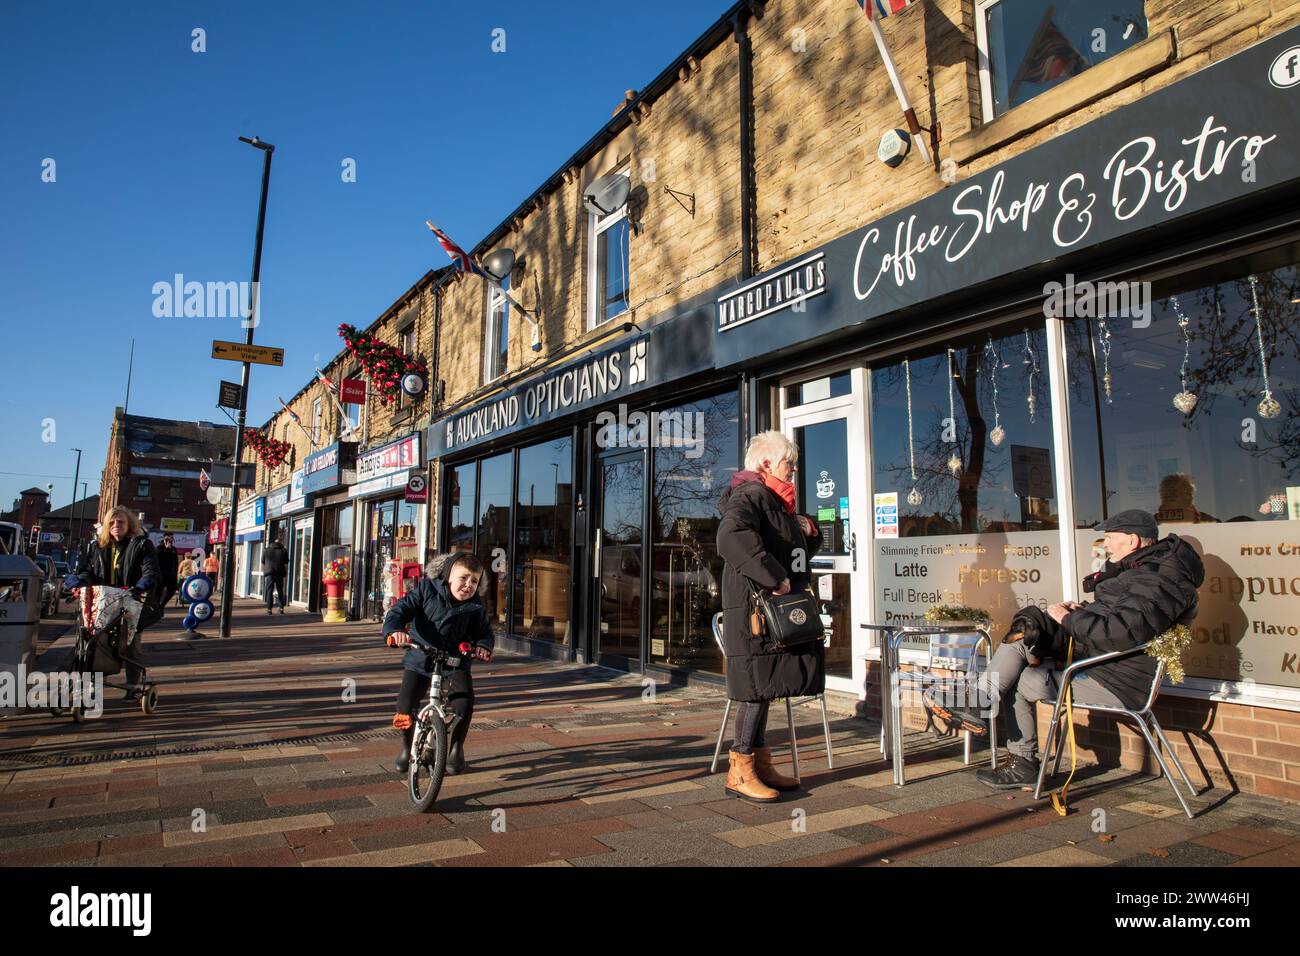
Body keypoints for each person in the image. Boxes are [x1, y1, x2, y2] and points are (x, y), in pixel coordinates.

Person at [927, 510, 1205, 788]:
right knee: (1027, 632)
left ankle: (1014, 750)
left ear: (1132, 541)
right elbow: (1120, 620)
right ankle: (982, 703)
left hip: (1117, 681)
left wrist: (1068, 618)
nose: (1104, 544)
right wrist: (1080, 612)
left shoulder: (1156, 580)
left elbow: (1119, 634)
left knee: (1020, 677)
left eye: (1109, 538)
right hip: (1100, 664)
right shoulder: (1144, 572)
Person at [715, 430, 825, 803]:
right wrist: (774, 578)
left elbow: (783, 545)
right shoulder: (751, 496)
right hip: (753, 614)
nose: (793, 470)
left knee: (765, 687)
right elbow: (731, 537)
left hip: (765, 613)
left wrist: (808, 531)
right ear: (766, 464)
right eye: (788, 464)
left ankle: (759, 764)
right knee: (754, 691)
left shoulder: (775, 503)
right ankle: (739, 771)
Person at [381, 552, 494, 776]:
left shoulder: (476, 606)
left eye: (474, 581)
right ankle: (407, 749)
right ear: (448, 576)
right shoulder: (426, 589)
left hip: (455, 661)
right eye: (463, 578)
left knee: (464, 704)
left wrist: (483, 646)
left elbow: (484, 632)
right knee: (405, 705)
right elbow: (400, 611)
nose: (468, 585)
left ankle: (455, 749)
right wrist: (394, 631)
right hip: (421, 657)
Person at [75, 506, 162, 700]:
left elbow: (150, 569)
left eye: (121, 522)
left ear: (129, 524)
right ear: (106, 525)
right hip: (102, 601)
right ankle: (92, 686)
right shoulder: (96, 546)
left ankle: (133, 684)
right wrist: (80, 580)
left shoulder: (141, 544)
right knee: (95, 643)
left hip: (130, 600)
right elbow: (87, 570)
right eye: (112, 522)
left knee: (131, 645)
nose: (116, 526)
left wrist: (143, 583)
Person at [261, 534, 289, 615]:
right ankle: (281, 608)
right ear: (280, 542)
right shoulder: (284, 550)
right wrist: (285, 573)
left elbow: (263, 562)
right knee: (280, 590)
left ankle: (269, 609)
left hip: (269, 573)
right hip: (279, 573)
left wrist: (264, 571)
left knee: (269, 591)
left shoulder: (266, 550)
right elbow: (285, 564)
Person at [156, 534, 180, 611]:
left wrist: (176, 574)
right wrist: (166, 549)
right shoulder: (159, 548)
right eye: (169, 541)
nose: (170, 542)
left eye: (171, 541)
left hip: (171, 574)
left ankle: (161, 605)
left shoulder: (173, 549)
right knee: (158, 591)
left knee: (172, 590)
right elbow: (157, 560)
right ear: (164, 540)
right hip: (160, 574)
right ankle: (157, 608)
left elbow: (175, 563)